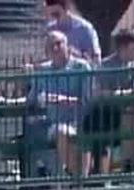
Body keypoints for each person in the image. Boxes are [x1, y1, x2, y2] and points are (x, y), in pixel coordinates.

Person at [80, 28, 134, 175]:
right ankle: (120, 168)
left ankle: (130, 166)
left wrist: (125, 94)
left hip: (126, 113)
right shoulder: (105, 66)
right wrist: (126, 94)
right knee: (128, 115)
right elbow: (100, 94)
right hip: (103, 116)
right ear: (123, 48)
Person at [25, 30, 93, 176]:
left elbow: (88, 100)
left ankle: (76, 178)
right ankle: (79, 178)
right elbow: (32, 100)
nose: (55, 48)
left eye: (58, 44)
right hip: (52, 124)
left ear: (67, 46)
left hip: (79, 122)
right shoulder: (42, 71)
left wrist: (62, 100)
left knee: (70, 135)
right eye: (50, 46)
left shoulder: (81, 67)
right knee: (60, 131)